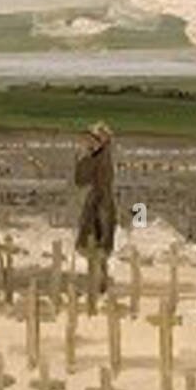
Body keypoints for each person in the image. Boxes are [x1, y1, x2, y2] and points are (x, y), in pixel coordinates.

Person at [75, 120, 117, 294]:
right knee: (96, 245)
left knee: (96, 244)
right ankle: (99, 283)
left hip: (99, 204)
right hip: (97, 203)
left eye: (93, 139)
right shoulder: (99, 155)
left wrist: (83, 159)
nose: (89, 142)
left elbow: (81, 180)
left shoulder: (100, 157)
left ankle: (98, 284)